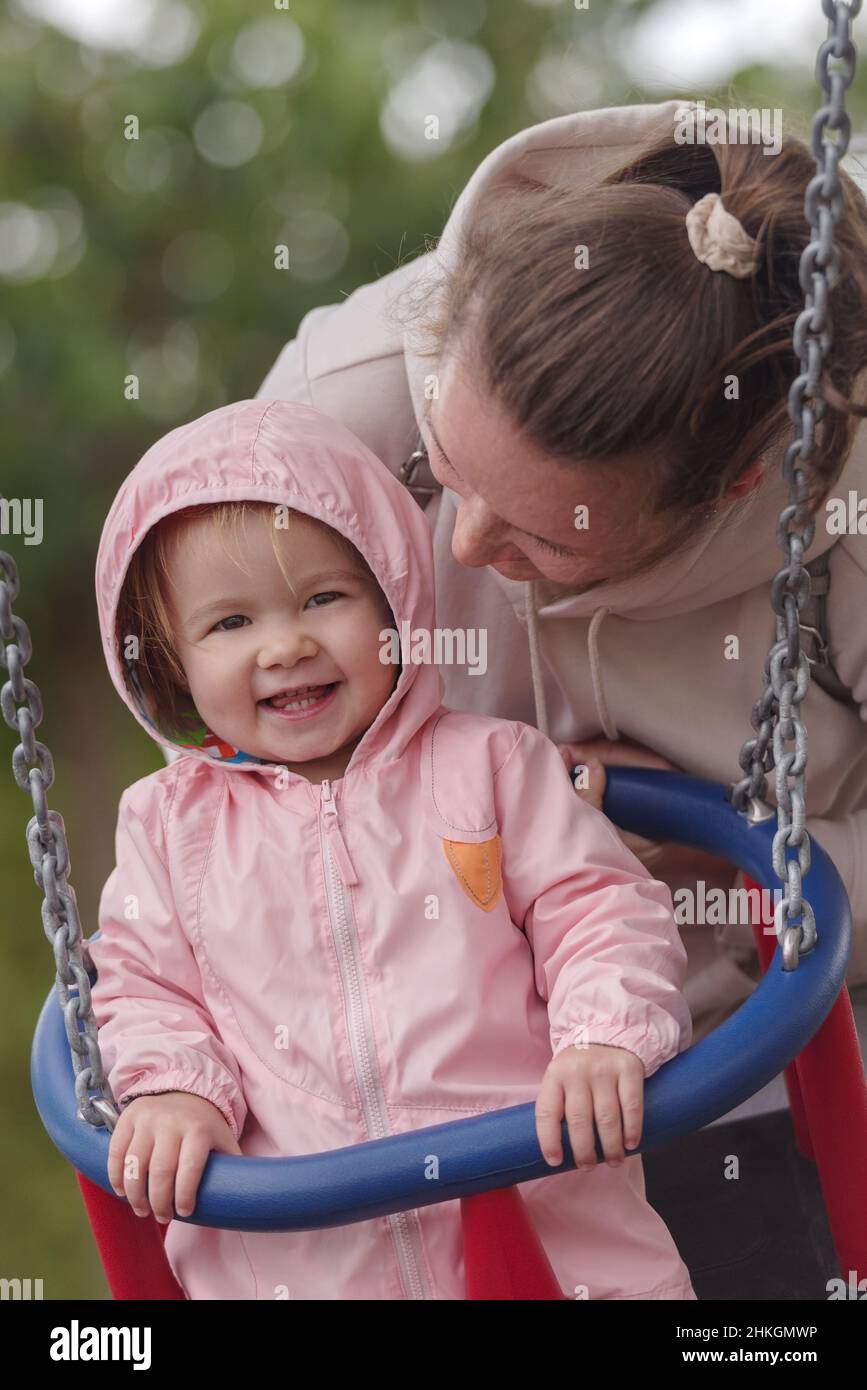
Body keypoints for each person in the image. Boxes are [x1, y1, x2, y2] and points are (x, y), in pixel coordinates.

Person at [254, 98, 867, 1040]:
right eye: (446, 473)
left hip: (764, 1039)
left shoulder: (843, 538)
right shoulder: (338, 414)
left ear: (728, 488)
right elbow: (218, 730)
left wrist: (726, 857)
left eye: (548, 541)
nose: (463, 548)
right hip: (438, 1055)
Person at [88, 397, 697, 1300]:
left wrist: (601, 1035)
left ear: (396, 599)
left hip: (552, 1245)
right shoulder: (166, 825)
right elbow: (143, 984)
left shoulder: (492, 768)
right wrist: (177, 1090)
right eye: (230, 624)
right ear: (170, 659)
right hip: (302, 1264)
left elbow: (599, 909)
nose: (285, 645)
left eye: (324, 599)